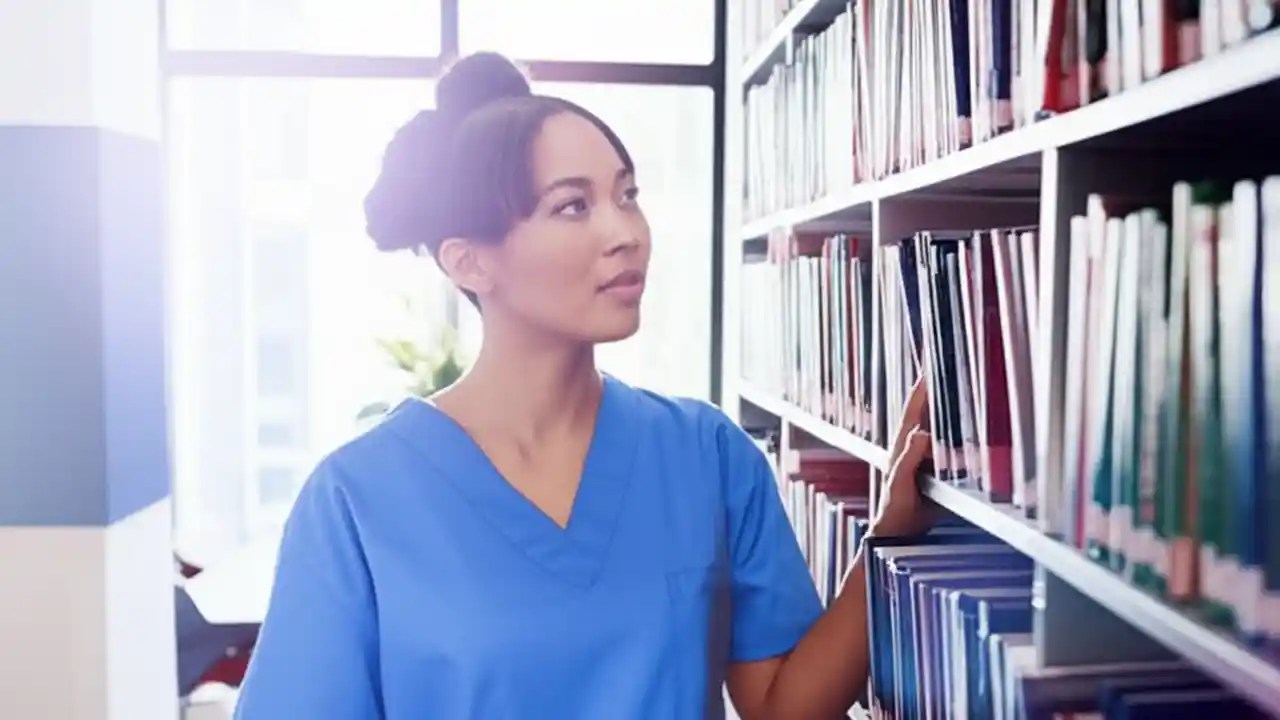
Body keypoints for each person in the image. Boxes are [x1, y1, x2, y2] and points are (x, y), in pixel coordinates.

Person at [233, 52, 934, 720]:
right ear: (469, 261)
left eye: (627, 195)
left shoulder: (706, 455)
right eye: (573, 206)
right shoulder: (356, 501)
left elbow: (783, 706)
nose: (625, 231)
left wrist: (891, 532)